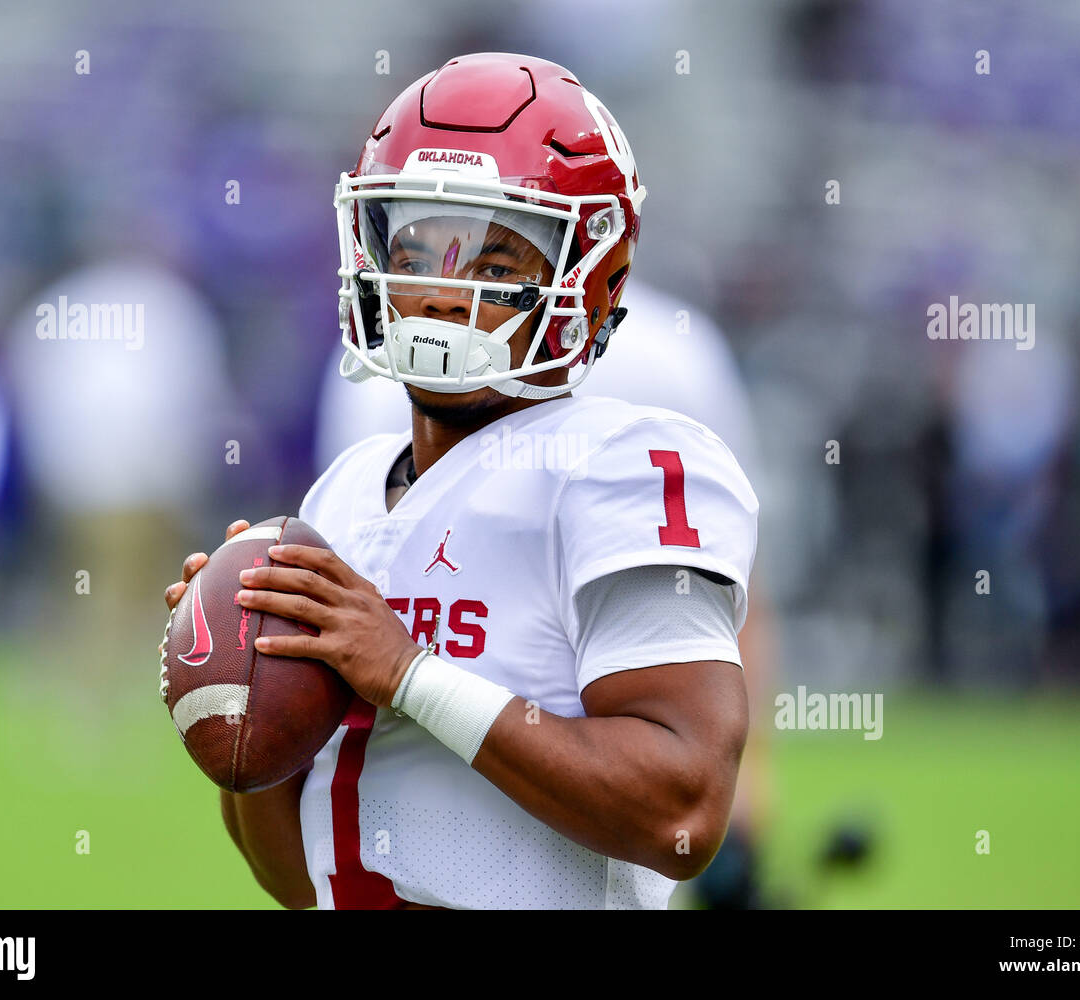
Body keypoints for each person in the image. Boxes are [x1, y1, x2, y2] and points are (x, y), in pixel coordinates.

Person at [164, 53, 759, 909]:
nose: (442, 293)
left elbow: (685, 812)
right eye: (416, 249)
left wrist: (409, 676)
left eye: (494, 262)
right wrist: (241, 690)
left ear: (590, 279)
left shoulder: (625, 469)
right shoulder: (343, 493)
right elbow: (304, 885)